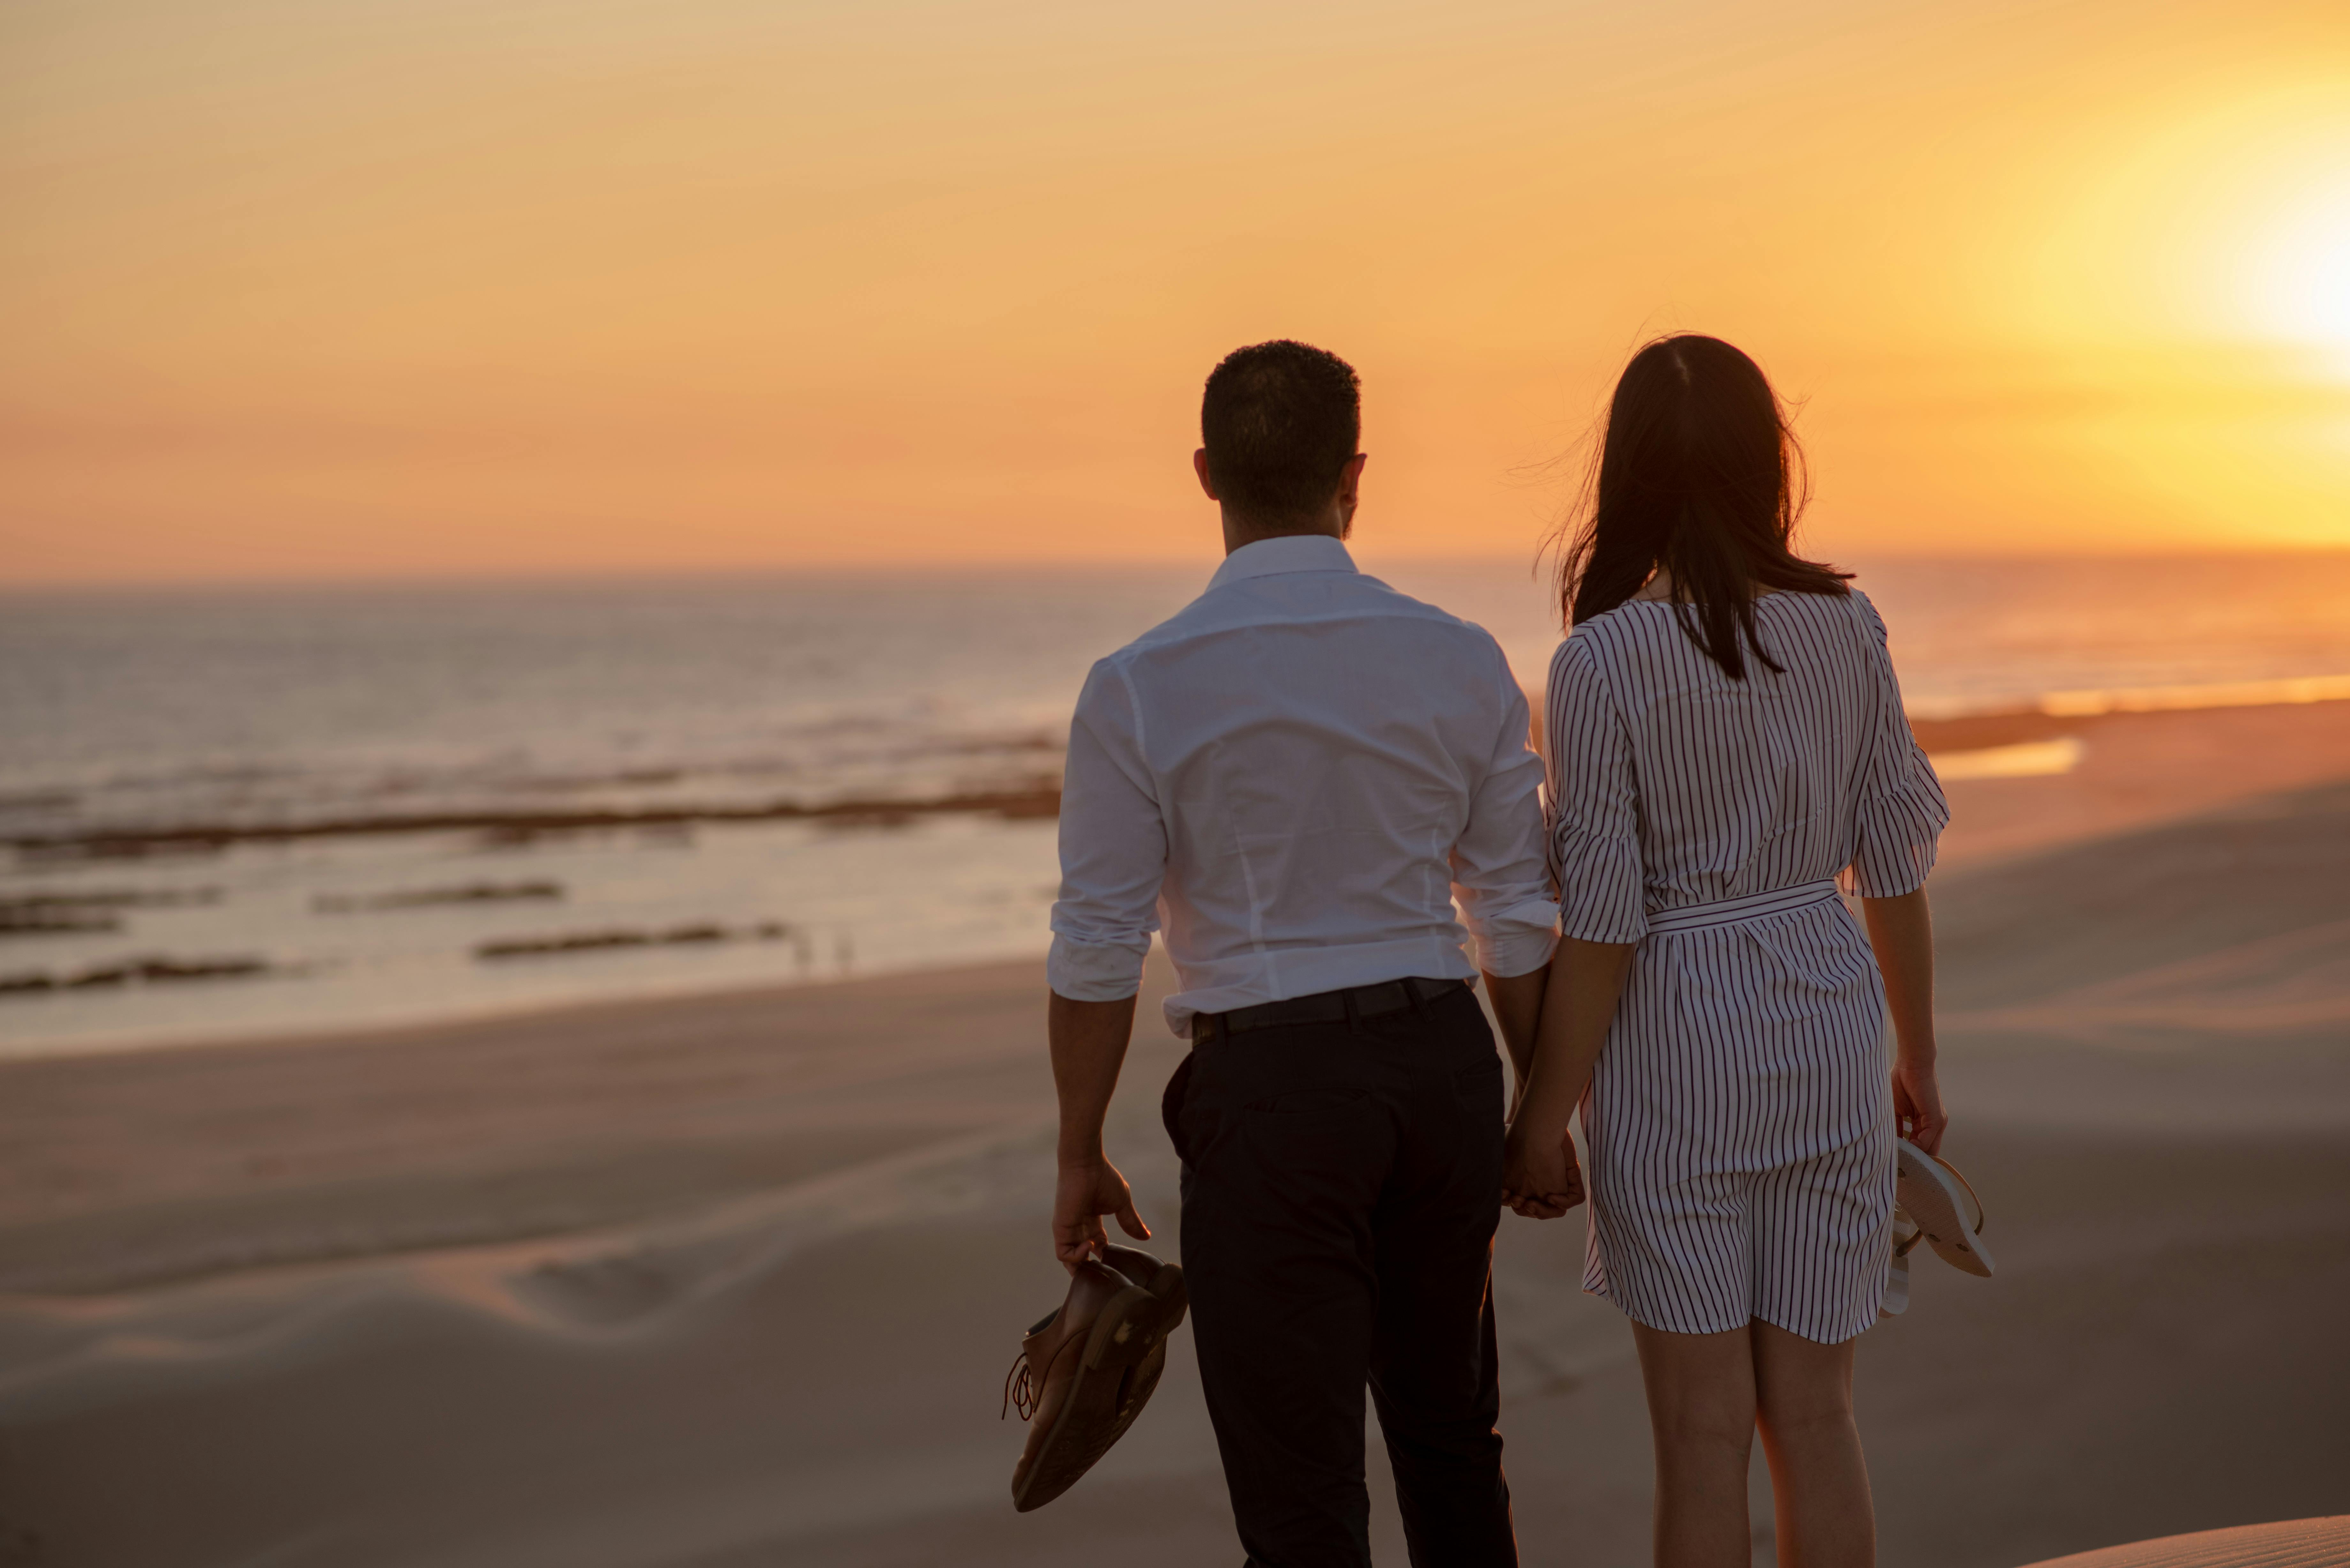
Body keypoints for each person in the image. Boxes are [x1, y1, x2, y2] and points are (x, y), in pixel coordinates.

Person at [1046, 340, 1559, 1566]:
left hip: (1270, 1097)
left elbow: (1098, 943)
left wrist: (1078, 1149)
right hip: (1439, 1067)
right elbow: (1514, 909)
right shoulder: (1457, 655)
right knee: (1451, 1442)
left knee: (1298, 1497)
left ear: (1206, 473)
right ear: (1356, 476)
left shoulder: (1139, 685)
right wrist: (1542, 1106)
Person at [1502, 335, 1951, 1567]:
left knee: (1702, 1437)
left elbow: (1601, 921)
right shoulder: (1847, 629)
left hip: (1672, 1051)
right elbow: (1896, 866)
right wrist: (1920, 1061)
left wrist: (1542, 1118)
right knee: (1818, 1416)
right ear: (1770, 464)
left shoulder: (1597, 662)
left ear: (1625, 473)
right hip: (1827, 1022)